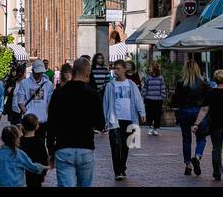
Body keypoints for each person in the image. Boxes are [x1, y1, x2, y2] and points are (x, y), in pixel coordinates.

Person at [46, 57, 106, 187]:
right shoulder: (93, 95)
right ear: (88, 73)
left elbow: (51, 124)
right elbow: (100, 125)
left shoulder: (58, 93)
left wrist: (51, 150)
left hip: (64, 147)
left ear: (73, 72)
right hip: (85, 147)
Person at [103, 60, 147, 180]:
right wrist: (105, 120)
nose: (115, 71)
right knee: (115, 146)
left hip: (129, 118)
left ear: (124, 69)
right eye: (114, 69)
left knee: (126, 146)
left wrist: (142, 112)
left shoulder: (131, 84)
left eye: (118, 68)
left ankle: (122, 167)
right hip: (114, 120)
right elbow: (106, 103)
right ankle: (118, 171)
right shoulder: (110, 85)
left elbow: (138, 99)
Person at [172, 60, 209, 176]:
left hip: (185, 112)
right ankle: (197, 157)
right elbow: (207, 100)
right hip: (199, 112)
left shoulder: (180, 83)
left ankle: (188, 165)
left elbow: (176, 100)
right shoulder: (203, 83)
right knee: (201, 138)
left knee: (186, 139)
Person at [14, 60, 53, 125]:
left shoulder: (48, 84)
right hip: (29, 121)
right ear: (32, 70)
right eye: (37, 72)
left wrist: (48, 116)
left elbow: (50, 102)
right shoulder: (24, 83)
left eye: (41, 72)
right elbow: (20, 102)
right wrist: (27, 115)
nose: (39, 74)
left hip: (43, 120)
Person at [18, 113, 50, 188]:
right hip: (35, 174)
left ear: (22, 126)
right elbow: (44, 158)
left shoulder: (19, 141)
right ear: (37, 127)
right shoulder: (39, 141)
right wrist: (43, 173)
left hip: (20, 173)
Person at [141, 63, 166, 137]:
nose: (149, 69)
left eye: (151, 68)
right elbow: (145, 88)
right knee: (149, 115)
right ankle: (150, 128)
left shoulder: (161, 78)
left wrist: (162, 95)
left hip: (158, 100)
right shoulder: (148, 78)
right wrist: (144, 95)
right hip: (149, 99)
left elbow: (163, 87)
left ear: (154, 69)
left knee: (157, 115)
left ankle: (155, 129)